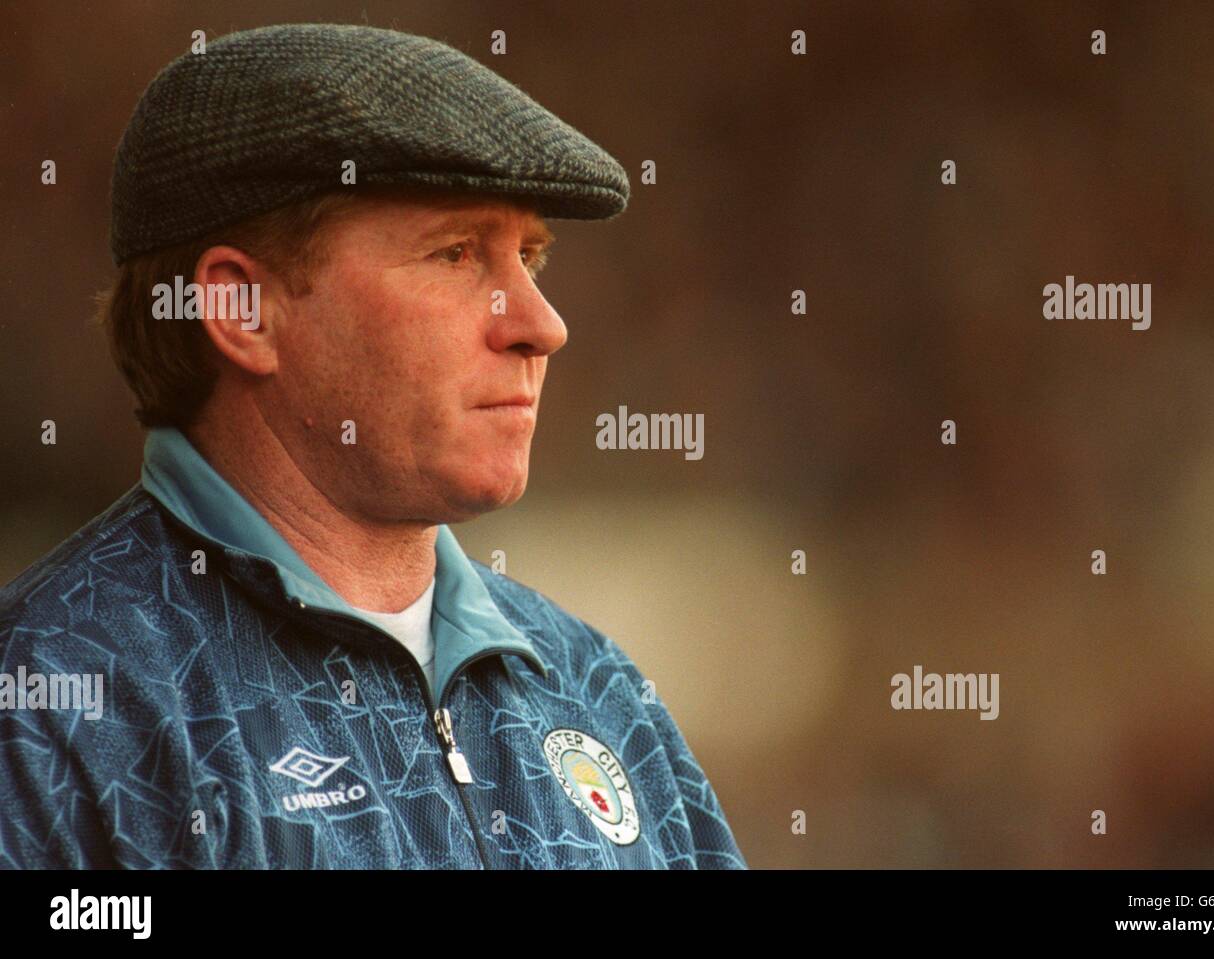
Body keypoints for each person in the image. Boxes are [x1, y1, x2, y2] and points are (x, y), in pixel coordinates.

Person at [0, 23, 746, 870]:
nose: (543, 325)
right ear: (241, 310)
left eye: (531, 257)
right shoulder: (52, 703)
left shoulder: (597, 690)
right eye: (457, 253)